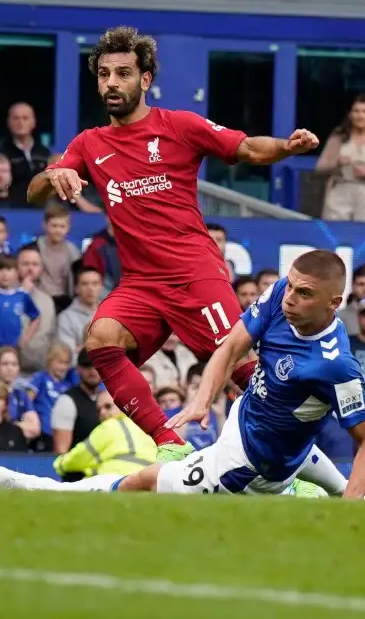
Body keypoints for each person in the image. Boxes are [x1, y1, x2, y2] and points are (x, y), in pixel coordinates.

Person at [27, 26, 320, 462]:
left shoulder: (179, 126)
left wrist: (286, 146)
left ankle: (299, 466)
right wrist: (54, 175)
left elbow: (247, 149)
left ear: (145, 80)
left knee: (246, 373)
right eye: (104, 74)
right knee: (101, 339)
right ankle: (169, 443)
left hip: (194, 274)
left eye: (123, 73)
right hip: (141, 283)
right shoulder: (89, 143)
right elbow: (33, 192)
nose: (111, 82)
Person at [0, 250, 365, 499]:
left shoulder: (335, 365)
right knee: (304, 453)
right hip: (251, 420)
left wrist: (345, 516)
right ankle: (313, 490)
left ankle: (36, 489)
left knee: (144, 483)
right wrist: (201, 400)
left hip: (248, 465)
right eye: (291, 286)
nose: (291, 297)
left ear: (335, 303)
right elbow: (230, 345)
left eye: (304, 293)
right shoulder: (282, 294)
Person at [314, 94, 365, 222]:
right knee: (335, 236)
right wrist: (337, 162)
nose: (360, 116)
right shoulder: (338, 136)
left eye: (364, 111)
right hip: (340, 192)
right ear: (350, 115)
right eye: (356, 111)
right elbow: (319, 167)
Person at [48, 390, 158, 479]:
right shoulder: (146, 427)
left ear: (123, 405)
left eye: (108, 406)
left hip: (115, 481)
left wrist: (60, 463)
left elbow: (80, 455)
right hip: (149, 482)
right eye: (98, 410)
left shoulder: (109, 426)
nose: (102, 412)